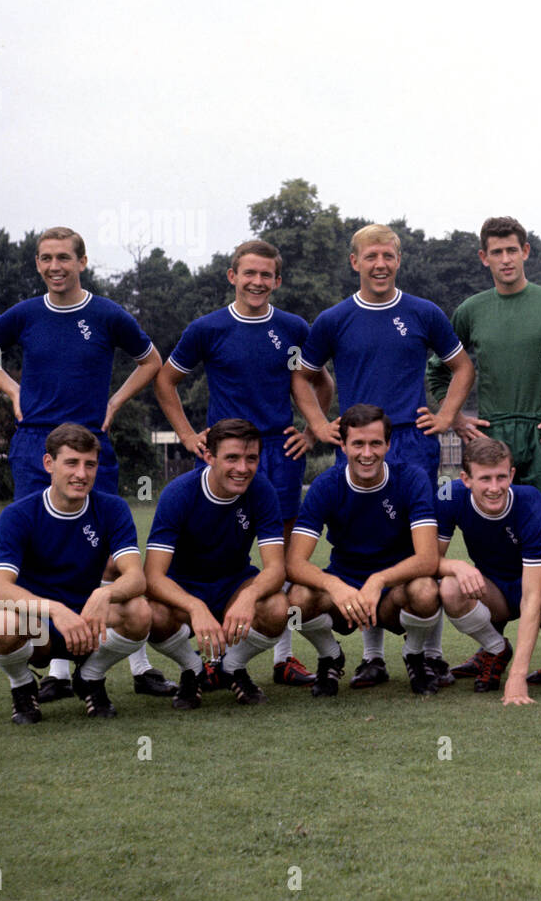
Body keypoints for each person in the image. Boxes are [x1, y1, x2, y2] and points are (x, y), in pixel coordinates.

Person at [0, 225, 166, 700]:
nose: (54, 266)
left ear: (82, 261)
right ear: (37, 264)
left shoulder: (106, 314)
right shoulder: (23, 314)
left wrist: (114, 403)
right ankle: (58, 671)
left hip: (90, 443)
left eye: (63, 257)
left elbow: (151, 360)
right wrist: (14, 389)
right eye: (45, 258)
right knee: (44, 546)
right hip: (36, 442)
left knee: (109, 555)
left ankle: (138, 666)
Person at [293, 223, 473, 678]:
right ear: (355, 262)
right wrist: (317, 423)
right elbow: (301, 374)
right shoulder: (334, 319)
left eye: (388, 257)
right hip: (359, 444)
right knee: (363, 538)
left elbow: (462, 366)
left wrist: (447, 415)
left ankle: (426, 654)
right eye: (370, 257)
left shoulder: (423, 312)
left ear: (399, 260)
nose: (380, 265)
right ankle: (371, 658)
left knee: (416, 545)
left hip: (411, 441)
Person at [154, 238, 334, 687]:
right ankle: (206, 647)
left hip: (277, 450)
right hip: (226, 453)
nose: (257, 282)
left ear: (277, 280)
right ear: (232, 276)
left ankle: (283, 657)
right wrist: (187, 434)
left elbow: (319, 382)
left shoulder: (292, 327)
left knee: (286, 559)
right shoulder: (206, 328)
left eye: (266, 275)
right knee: (207, 548)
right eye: (248, 273)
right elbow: (165, 380)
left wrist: (312, 430)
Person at [0, 424, 152, 724]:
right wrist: (55, 610)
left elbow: (136, 577)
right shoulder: (18, 515)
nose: (81, 474)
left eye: (90, 464)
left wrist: (105, 593)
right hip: (39, 627)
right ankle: (22, 685)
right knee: (2, 624)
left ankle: (90, 677)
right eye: (71, 463)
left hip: (89, 622)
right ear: (49, 464)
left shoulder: (112, 509)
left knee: (139, 612)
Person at [426, 216, 541, 554]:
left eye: (511, 250)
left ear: (525, 251)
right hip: (492, 436)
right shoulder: (471, 310)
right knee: (498, 541)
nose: (505, 259)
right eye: (496, 252)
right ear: (484, 257)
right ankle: (500, 606)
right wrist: (455, 417)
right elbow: (439, 370)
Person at [285, 405, 443, 696]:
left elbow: (428, 558)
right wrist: (334, 585)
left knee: (426, 590)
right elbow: (294, 563)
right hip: (344, 589)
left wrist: (379, 580)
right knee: (296, 598)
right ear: (343, 446)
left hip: (393, 592)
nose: (366, 453)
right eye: (358, 444)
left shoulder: (411, 478)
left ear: (389, 445)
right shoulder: (325, 486)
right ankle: (330, 655)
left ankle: (414, 654)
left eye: (375, 444)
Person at [143, 418, 290, 710]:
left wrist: (249, 596)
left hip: (233, 584)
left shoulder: (262, 491)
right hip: (184, 588)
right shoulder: (178, 493)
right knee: (151, 614)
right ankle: (193, 669)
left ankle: (232, 667)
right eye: (232, 458)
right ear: (209, 457)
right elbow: (153, 575)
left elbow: (276, 568)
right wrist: (195, 606)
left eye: (251, 459)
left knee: (277, 606)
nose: (243, 468)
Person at [433, 437, 541, 703]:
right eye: (485, 479)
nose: (494, 487)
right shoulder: (450, 495)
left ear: (512, 474)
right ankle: (496, 648)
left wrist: (517, 677)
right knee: (450, 586)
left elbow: (531, 597)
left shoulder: (531, 502)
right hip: (494, 588)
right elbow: (429, 560)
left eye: (501, 477)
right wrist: (456, 565)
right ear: (466, 479)